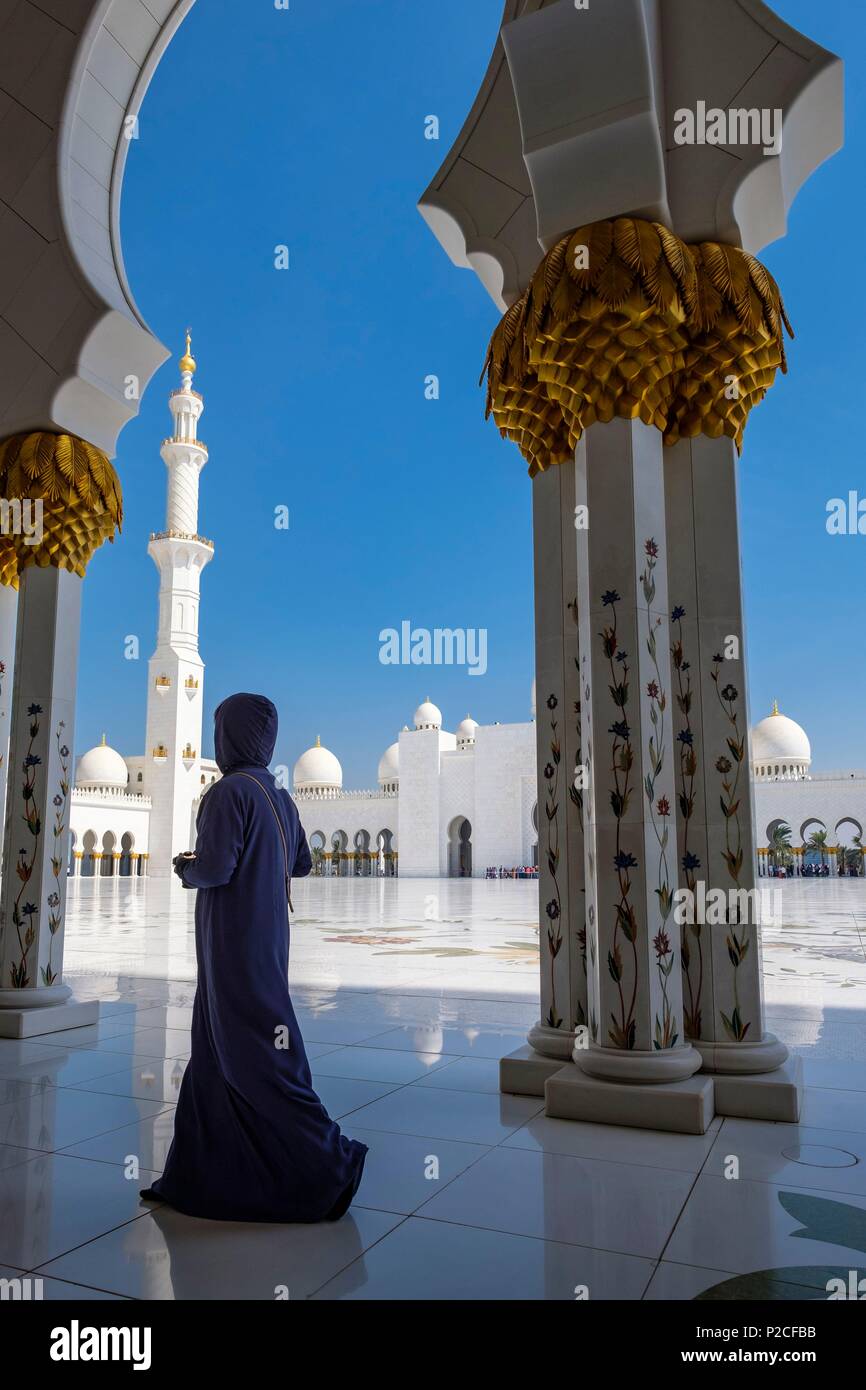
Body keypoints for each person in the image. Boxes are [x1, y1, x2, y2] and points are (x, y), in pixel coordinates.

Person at [141, 692, 367, 1222]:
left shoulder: (226, 793)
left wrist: (184, 868)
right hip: (266, 945)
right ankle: (194, 1177)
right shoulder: (281, 797)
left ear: (230, 736)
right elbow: (304, 864)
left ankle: (333, 1164)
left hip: (232, 949)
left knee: (260, 1060)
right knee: (213, 1060)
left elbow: (215, 870)